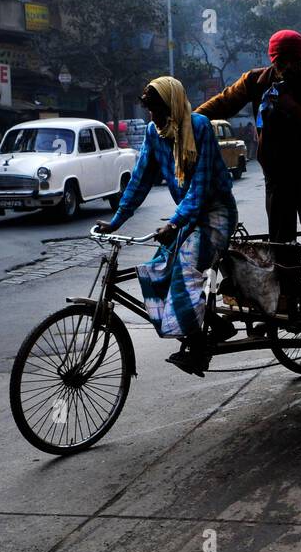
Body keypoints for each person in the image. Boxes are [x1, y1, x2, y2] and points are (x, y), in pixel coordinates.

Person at [96, 77, 238, 376]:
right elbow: (140, 180)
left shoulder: (199, 127)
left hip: (215, 213)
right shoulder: (154, 132)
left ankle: (198, 348)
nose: (153, 116)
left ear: (171, 105)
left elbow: (200, 188)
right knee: (157, 270)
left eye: (158, 110)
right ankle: (216, 324)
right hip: (188, 216)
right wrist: (116, 220)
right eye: (150, 111)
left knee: (185, 269)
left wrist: (174, 223)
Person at [197, 29, 301, 319]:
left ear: (300, 58)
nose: (285, 67)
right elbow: (224, 102)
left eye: (290, 61)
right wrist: (191, 118)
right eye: (280, 61)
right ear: (272, 59)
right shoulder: (254, 81)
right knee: (281, 242)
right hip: (276, 175)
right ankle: (289, 300)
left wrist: (292, 106)